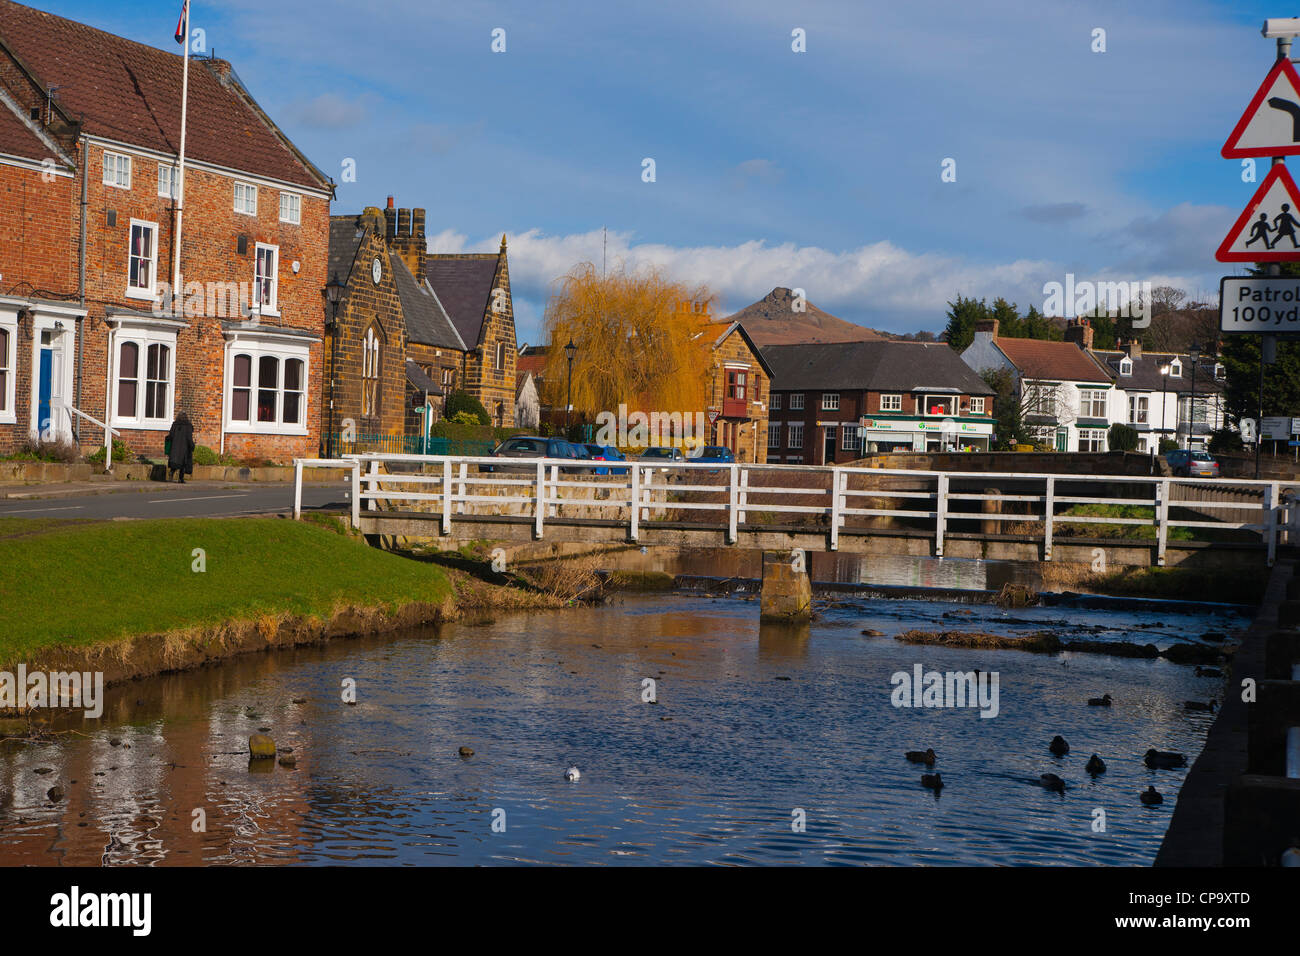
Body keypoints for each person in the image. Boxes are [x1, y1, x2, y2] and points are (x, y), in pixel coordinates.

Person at [167, 412, 195, 483]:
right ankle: (180, 479)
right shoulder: (188, 426)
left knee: (175, 462)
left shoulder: (174, 424)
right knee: (183, 463)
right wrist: (192, 445)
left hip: (175, 447)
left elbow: (171, 435)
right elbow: (189, 438)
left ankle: (171, 474)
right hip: (184, 447)